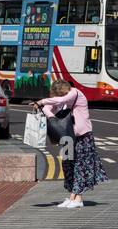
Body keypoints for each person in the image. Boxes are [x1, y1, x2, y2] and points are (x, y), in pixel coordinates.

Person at [33, 78, 108, 208]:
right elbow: (48, 108)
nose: (60, 97)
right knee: (68, 165)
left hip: (82, 135)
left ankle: (78, 198)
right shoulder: (62, 98)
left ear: (63, 90)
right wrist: (49, 114)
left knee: (81, 165)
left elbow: (57, 101)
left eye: (60, 94)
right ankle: (72, 196)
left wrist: (41, 102)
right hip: (67, 136)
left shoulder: (74, 93)